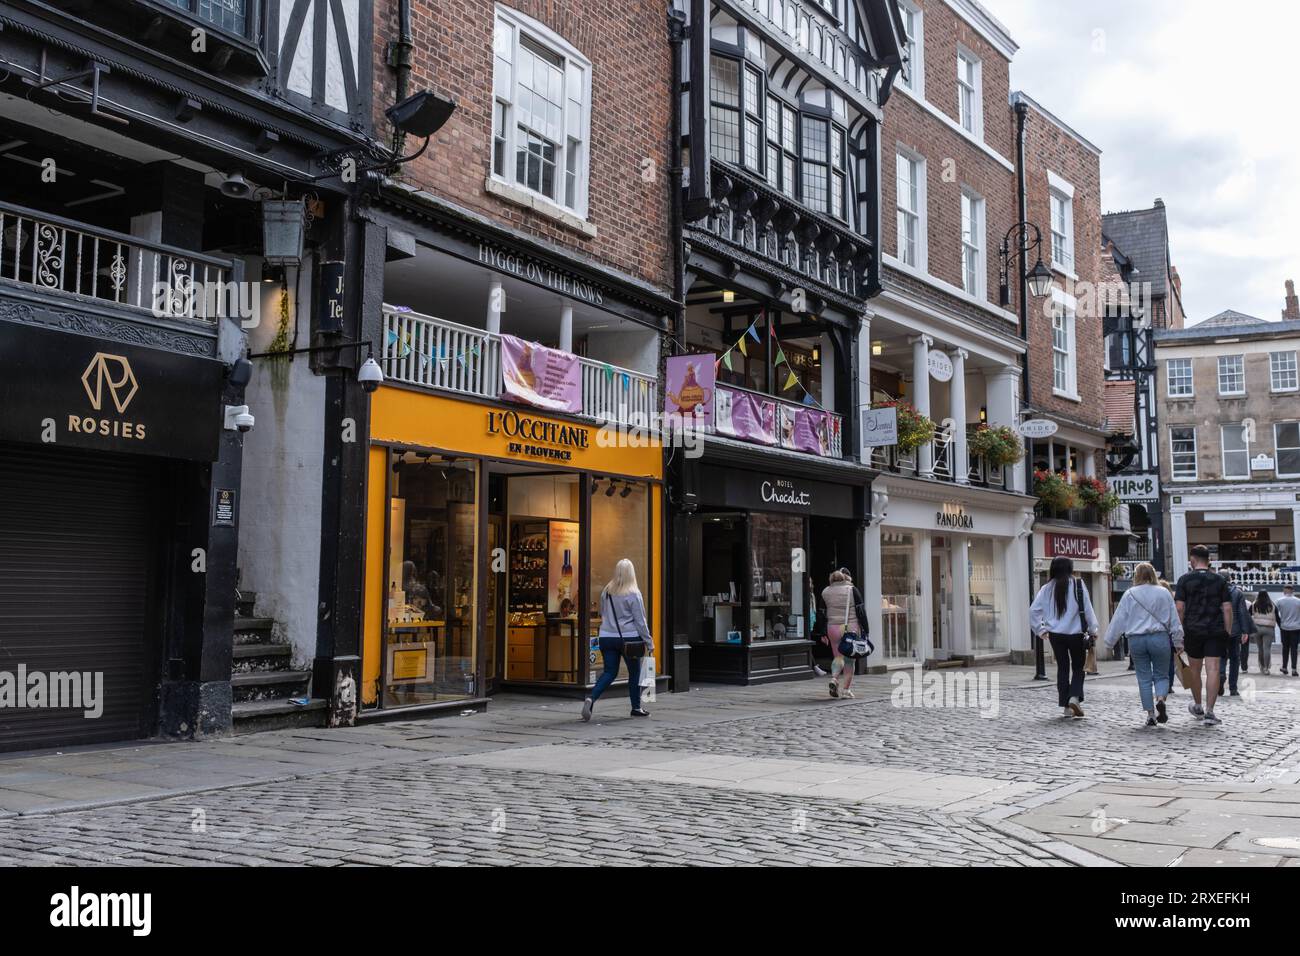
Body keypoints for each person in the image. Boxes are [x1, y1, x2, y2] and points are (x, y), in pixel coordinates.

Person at [1104, 563, 1184, 727]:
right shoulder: (1163, 592)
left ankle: (1150, 715)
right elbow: (1173, 619)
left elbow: (1119, 619)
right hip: (1159, 638)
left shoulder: (1129, 594)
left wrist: (1109, 641)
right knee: (1162, 675)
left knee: (1144, 677)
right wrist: (1178, 640)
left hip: (1137, 640)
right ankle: (1161, 698)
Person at [582, 559, 652, 721]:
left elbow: (603, 613)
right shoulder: (634, 593)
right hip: (629, 639)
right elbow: (640, 621)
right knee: (634, 672)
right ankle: (636, 707)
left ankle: (591, 698)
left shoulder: (606, 591)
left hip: (606, 637)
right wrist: (649, 641)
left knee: (609, 672)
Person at [1030, 557, 1100, 718]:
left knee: (1062, 668)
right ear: (1070, 569)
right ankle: (1074, 697)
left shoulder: (1046, 588)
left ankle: (1065, 707)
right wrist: (1093, 629)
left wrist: (1040, 630)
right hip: (1076, 634)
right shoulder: (1078, 584)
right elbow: (1087, 609)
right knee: (1078, 667)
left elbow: (1033, 611)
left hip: (1055, 635)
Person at [1174, 546, 1234, 726]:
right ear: (1208, 560)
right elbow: (1227, 608)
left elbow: (1179, 608)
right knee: (1213, 669)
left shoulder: (1184, 580)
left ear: (1192, 560)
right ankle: (1210, 711)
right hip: (1214, 630)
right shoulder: (1219, 580)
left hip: (1192, 629)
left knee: (1194, 669)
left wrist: (1179, 632)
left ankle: (1198, 705)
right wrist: (1228, 631)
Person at [821, 569, 868, 699]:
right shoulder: (852, 590)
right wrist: (866, 629)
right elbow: (861, 612)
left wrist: (822, 632)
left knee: (838, 657)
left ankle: (834, 679)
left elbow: (822, 613)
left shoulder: (825, 592)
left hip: (833, 628)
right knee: (849, 661)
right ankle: (846, 690)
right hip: (849, 627)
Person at [1220, 573, 1255, 696]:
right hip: (1234, 631)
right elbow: (1242, 613)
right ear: (1230, 579)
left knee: (1220, 656)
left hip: (1219, 630)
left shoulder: (1214, 591)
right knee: (1235, 659)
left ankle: (1221, 676)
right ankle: (1233, 688)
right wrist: (1245, 631)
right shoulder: (1237, 593)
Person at [1252, 590, 1276, 675]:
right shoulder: (1272, 604)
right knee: (1267, 649)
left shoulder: (1254, 604)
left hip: (1257, 628)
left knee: (1260, 649)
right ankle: (1266, 668)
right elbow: (1277, 616)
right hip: (1268, 628)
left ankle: (1261, 667)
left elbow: (1249, 614)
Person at [1278, 585, 1300, 676]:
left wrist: (1280, 623)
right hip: (1296, 627)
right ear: (1292, 591)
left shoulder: (1279, 601)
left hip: (1284, 627)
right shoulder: (1298, 601)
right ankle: (1294, 669)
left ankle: (1284, 667)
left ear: (1285, 590)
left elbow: (1275, 612)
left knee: (1285, 648)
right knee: (1294, 649)